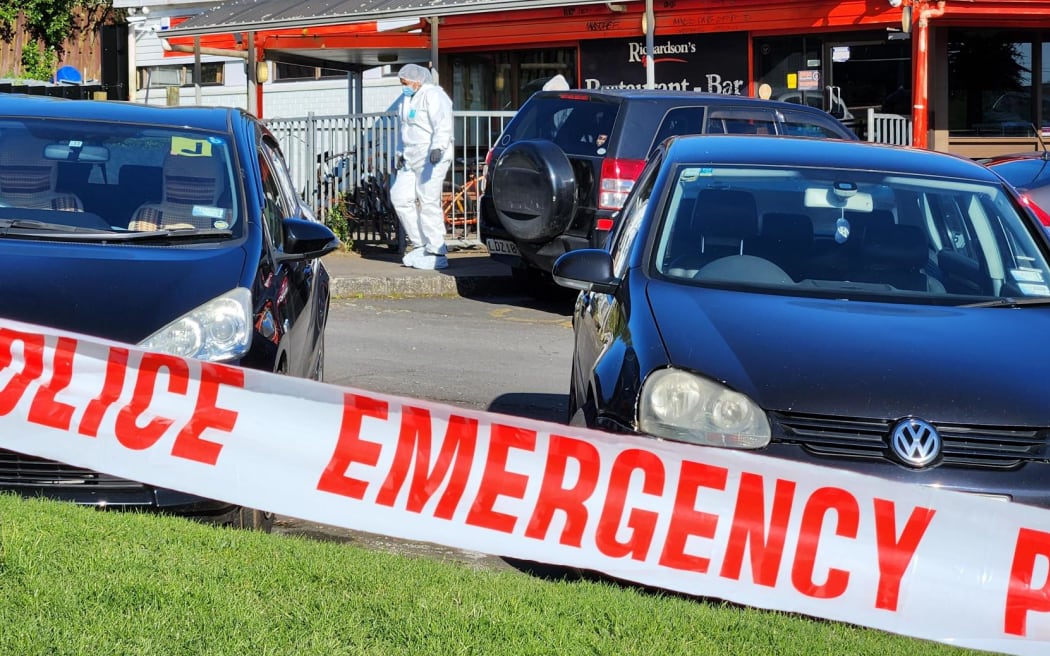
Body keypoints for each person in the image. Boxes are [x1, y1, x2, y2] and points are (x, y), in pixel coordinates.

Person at [390, 63, 454, 270]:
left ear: (417, 81)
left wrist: (438, 147)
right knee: (399, 197)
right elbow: (404, 129)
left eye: (405, 82)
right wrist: (400, 152)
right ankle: (420, 244)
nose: (403, 86)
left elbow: (442, 124)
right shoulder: (407, 99)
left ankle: (437, 250)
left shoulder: (434, 95)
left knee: (428, 200)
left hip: (431, 155)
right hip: (411, 156)